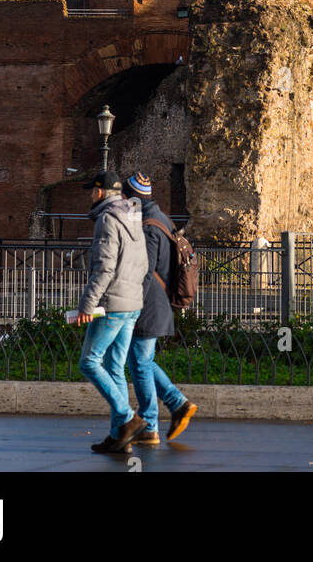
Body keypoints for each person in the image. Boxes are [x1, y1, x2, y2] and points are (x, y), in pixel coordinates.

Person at [75, 170, 148, 455]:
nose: (91, 196)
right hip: (132, 302)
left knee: (89, 362)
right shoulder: (133, 215)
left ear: (101, 192)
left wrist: (87, 306)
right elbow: (143, 263)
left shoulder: (107, 219)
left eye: (92, 191)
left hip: (114, 304)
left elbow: (103, 269)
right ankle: (119, 437)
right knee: (115, 367)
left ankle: (128, 418)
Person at [122, 172, 197, 446]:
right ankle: (178, 404)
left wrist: (130, 304)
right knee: (141, 361)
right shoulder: (161, 218)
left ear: (133, 198)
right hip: (158, 303)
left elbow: (145, 270)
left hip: (148, 306)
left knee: (140, 363)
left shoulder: (149, 226)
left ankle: (150, 425)